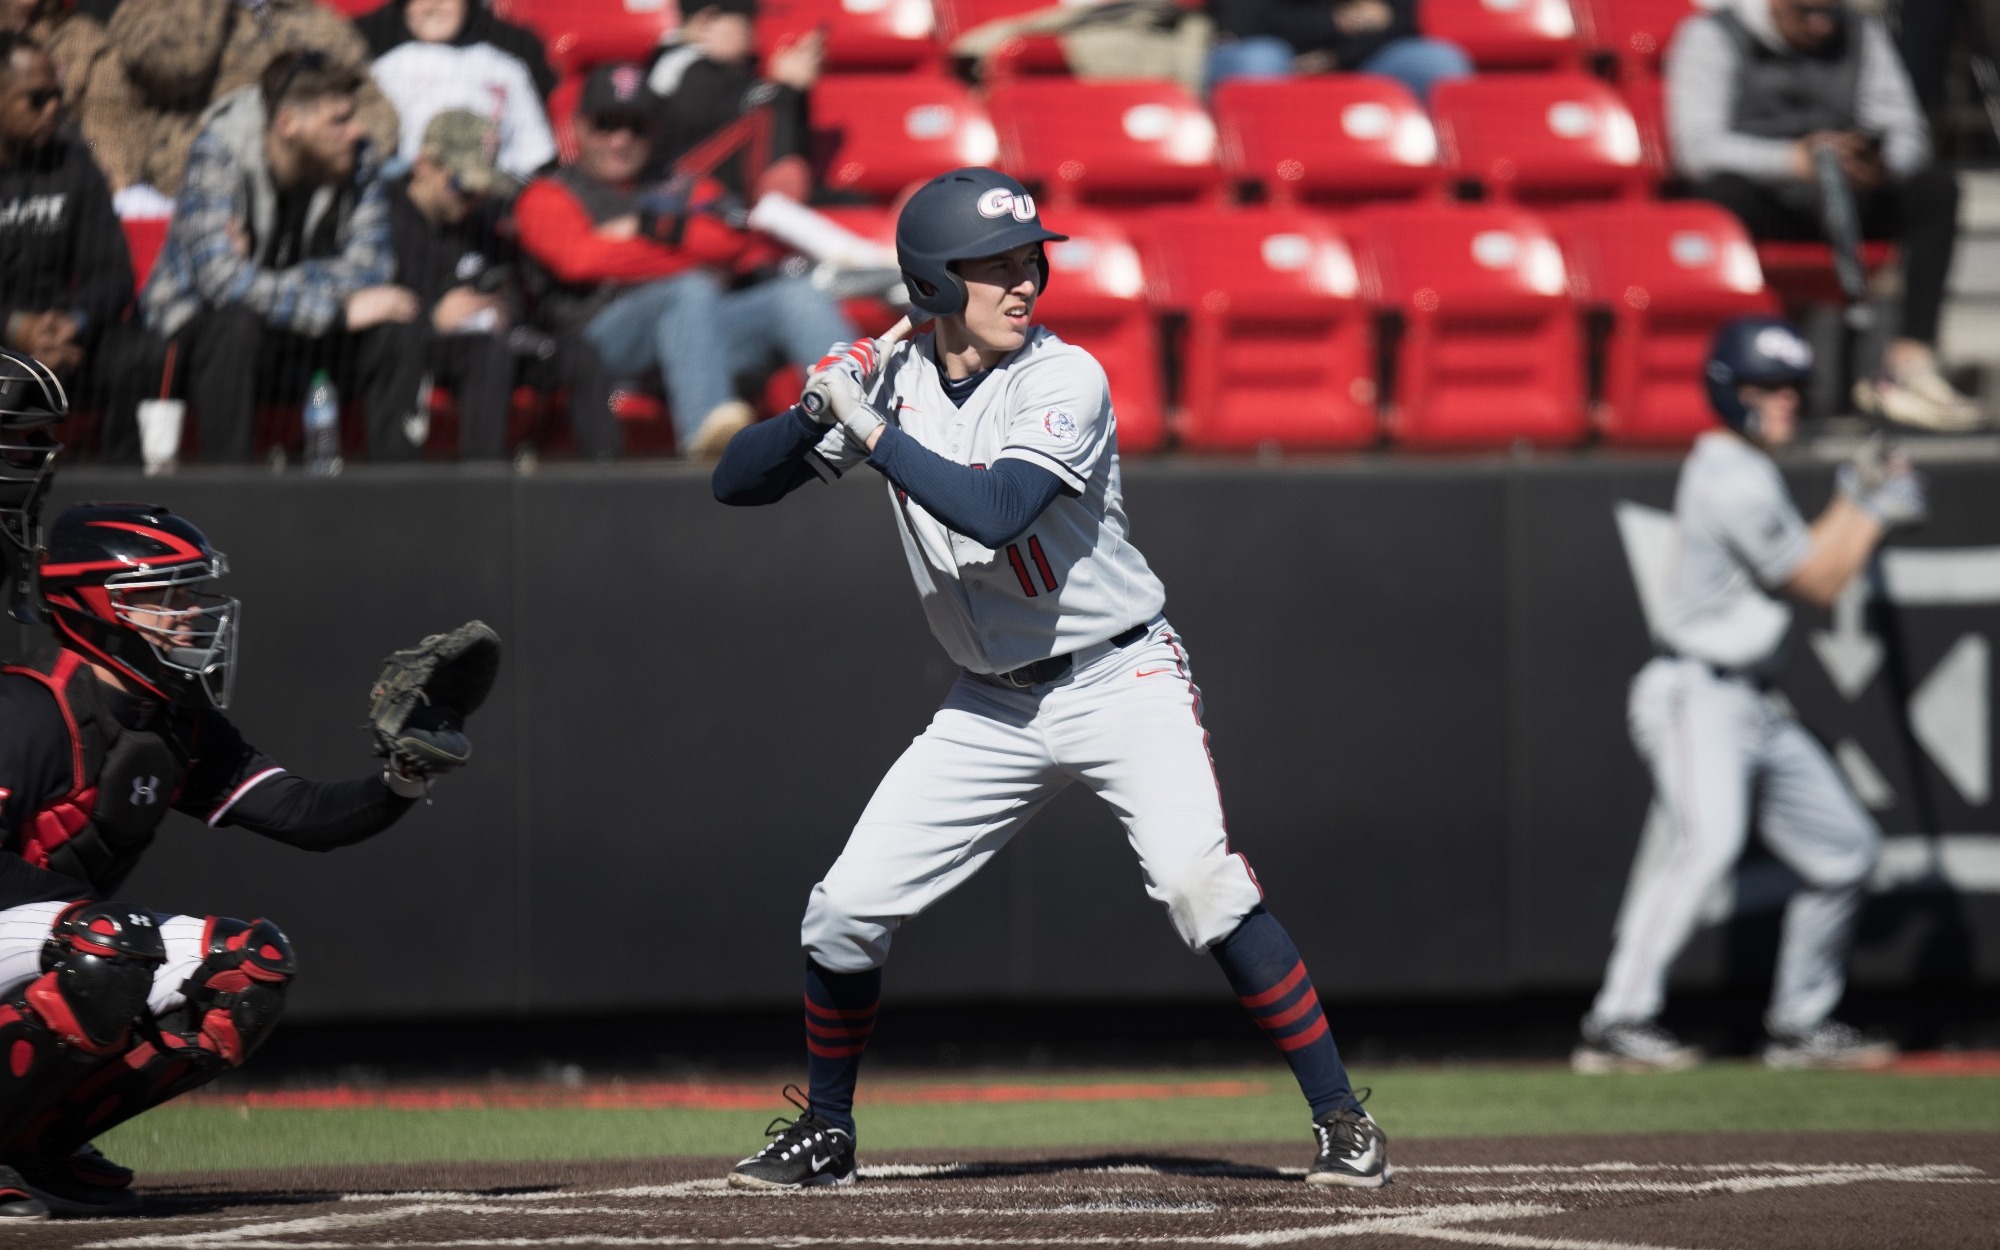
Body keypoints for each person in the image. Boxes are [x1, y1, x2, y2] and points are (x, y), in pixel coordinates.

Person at [711, 167, 1388, 1191]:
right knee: (841, 910)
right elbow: (734, 483)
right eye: (992, 266)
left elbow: (995, 510)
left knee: (1199, 883)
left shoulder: (1061, 376)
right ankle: (826, 1128)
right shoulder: (885, 380)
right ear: (932, 285)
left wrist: (867, 427)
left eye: (1028, 258)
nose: (1023, 279)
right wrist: (814, 409)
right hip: (992, 699)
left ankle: (1342, 1118)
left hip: (1117, 673)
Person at [0, 496, 486, 1220]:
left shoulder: (173, 723)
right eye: (166, 597)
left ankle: (38, 1141)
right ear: (100, 608)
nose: (193, 612)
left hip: (51, 937)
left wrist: (402, 775)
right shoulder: (27, 709)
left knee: (249, 969)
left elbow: (302, 813)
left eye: (192, 592)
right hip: (39, 930)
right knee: (105, 944)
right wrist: (86, 921)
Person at [1574, 316, 1922, 1076]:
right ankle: (1616, 1021)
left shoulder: (1747, 467)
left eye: (1794, 388)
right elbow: (1821, 581)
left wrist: (1860, 496)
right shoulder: (1730, 475)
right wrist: (1874, 507)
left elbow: (1807, 556)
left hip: (1751, 704)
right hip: (1694, 692)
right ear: (1732, 392)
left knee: (1844, 851)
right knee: (1709, 846)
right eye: (1769, 388)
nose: (1786, 402)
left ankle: (1799, 1024)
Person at [1666, 0, 1981, 431]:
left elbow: (1908, 130)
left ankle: (1909, 361)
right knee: (1720, 196)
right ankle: (1736, 364)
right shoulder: (1712, 36)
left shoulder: (1861, 35)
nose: (1820, 21)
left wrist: (1878, 163)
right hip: (1767, 196)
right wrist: (1792, 160)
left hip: (1848, 195)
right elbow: (1698, 150)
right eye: (1807, 10)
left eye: (1829, 11)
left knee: (1935, 190)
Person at [515, 62, 851, 458]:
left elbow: (731, 244)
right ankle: (710, 441)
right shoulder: (549, 192)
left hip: (694, 338)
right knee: (688, 290)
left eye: (635, 127)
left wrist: (650, 225)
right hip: (596, 343)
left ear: (652, 131)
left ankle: (864, 424)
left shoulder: (679, 183)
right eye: (606, 124)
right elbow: (579, 259)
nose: (620, 139)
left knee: (797, 296)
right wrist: (689, 256)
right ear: (579, 127)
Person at [140, 51, 426, 463]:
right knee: (234, 327)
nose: (356, 130)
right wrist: (336, 311)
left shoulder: (357, 157)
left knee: (394, 327)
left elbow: (373, 266)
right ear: (288, 124)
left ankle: (396, 499)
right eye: (339, 120)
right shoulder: (219, 151)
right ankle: (228, 496)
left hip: (296, 334)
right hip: (199, 340)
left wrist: (256, 275)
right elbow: (219, 282)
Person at [0, 32, 162, 463]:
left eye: (57, 95)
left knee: (137, 354)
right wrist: (18, 329)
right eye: (36, 99)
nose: (53, 108)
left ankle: (118, 501)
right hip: (8, 339)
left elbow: (115, 275)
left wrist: (72, 323)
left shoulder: (73, 164)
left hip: (63, 343)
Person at [78, 0, 398, 202]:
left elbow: (372, 105)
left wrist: (327, 147)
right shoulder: (146, 12)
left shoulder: (312, 20)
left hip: (310, 189)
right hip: (194, 192)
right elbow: (180, 64)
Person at [385, 109, 547, 461]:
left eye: (482, 189)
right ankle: (483, 486)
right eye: (462, 184)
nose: (473, 198)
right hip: (399, 349)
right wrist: (431, 317)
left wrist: (504, 308)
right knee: (486, 353)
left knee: (573, 352)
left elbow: (510, 291)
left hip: (470, 346)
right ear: (424, 165)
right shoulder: (382, 214)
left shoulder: (482, 223)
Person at [359, 0, 558, 183]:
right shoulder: (384, 71)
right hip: (409, 195)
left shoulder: (505, 69)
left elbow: (533, 156)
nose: (432, 6)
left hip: (491, 198)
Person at [639, 0, 819, 200]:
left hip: (702, 202)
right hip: (682, 205)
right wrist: (786, 89)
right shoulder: (686, 71)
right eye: (747, 22)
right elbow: (739, 116)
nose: (754, 36)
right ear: (706, 21)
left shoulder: (679, 66)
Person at [1204, 0, 1471, 104]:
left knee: (1438, 62)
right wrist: (1336, 21)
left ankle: (1458, 185)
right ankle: (1259, 178)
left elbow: (1400, 21)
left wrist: (1335, 58)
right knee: (1255, 61)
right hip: (1279, 57)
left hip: (1360, 57)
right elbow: (1246, 21)